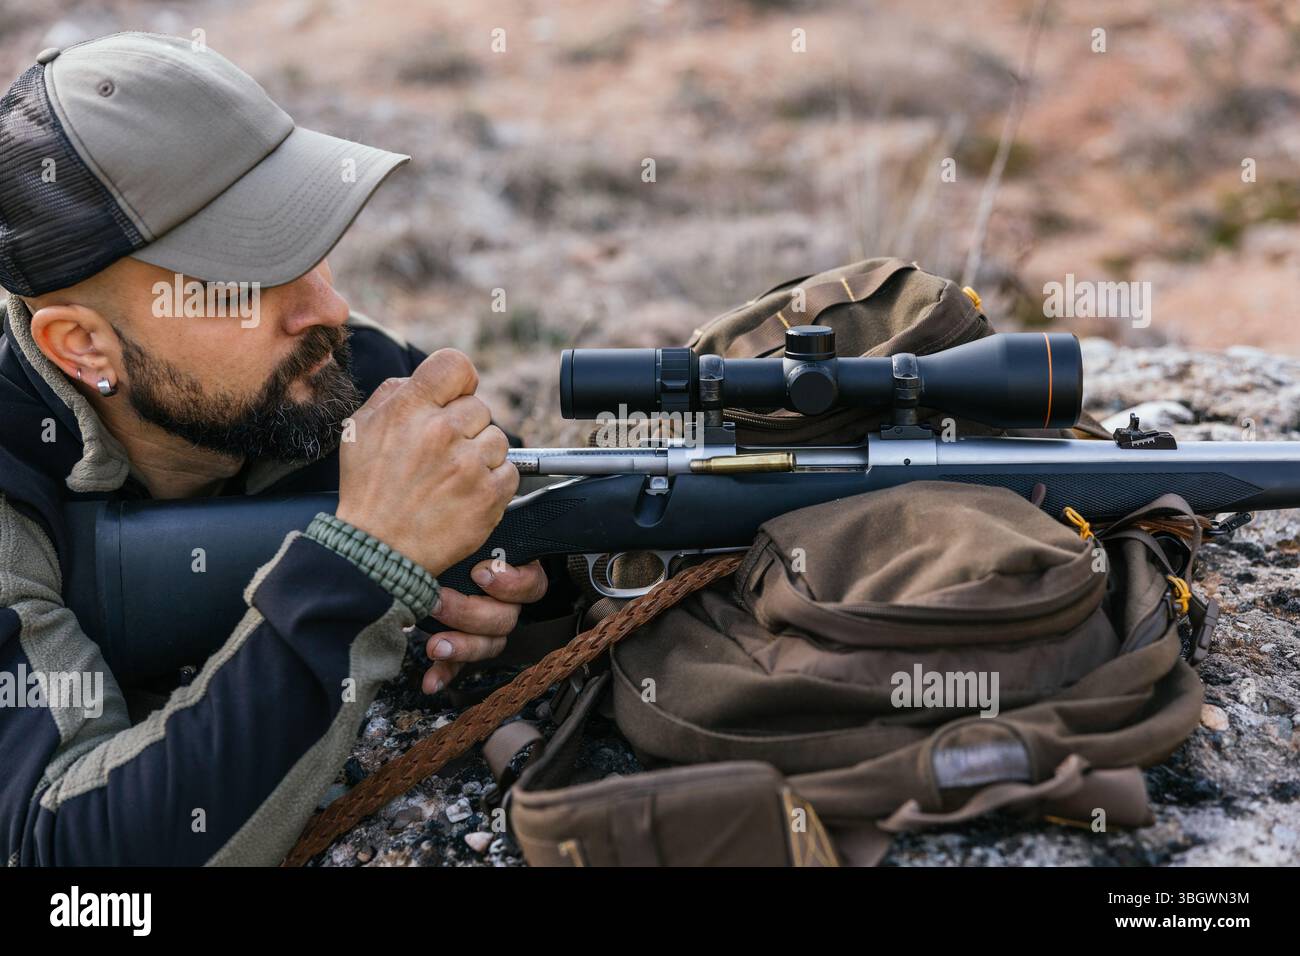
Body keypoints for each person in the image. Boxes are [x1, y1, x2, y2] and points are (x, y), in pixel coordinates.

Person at [0, 32, 547, 865]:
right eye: (246, 279)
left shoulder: (332, 373)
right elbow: (68, 872)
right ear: (82, 347)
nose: (327, 308)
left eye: (305, 237)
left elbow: (542, 528)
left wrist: (508, 589)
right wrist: (361, 568)